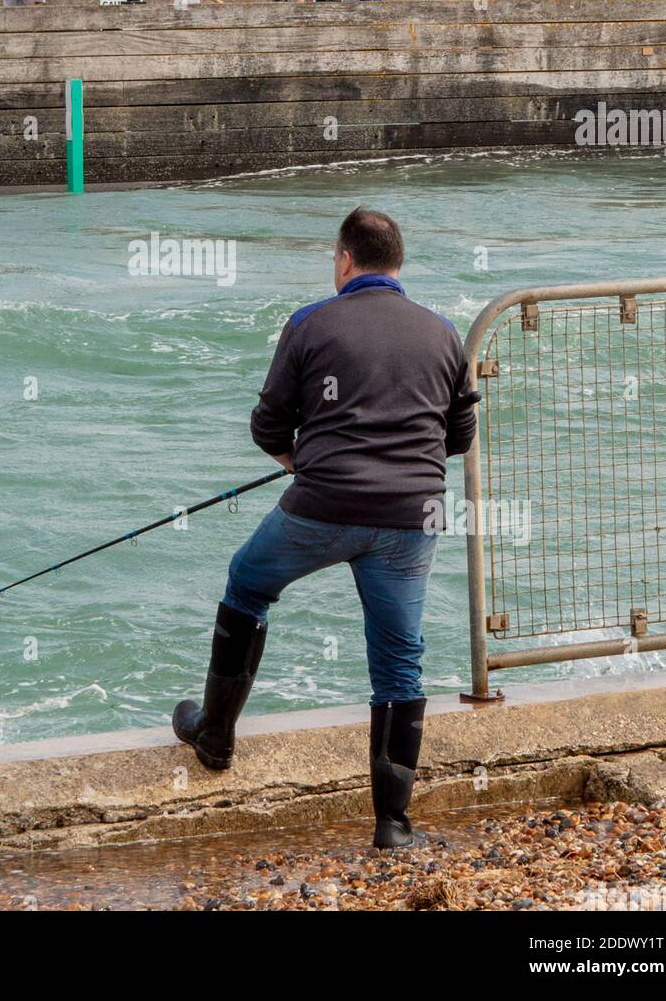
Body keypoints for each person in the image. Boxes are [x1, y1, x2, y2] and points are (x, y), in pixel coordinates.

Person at [172, 208, 481, 849]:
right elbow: (458, 436)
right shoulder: (444, 332)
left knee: (247, 584)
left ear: (344, 260)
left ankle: (216, 737)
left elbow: (267, 423)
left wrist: (298, 459)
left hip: (320, 509)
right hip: (411, 516)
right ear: (398, 265)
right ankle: (393, 825)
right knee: (400, 665)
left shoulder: (312, 322)